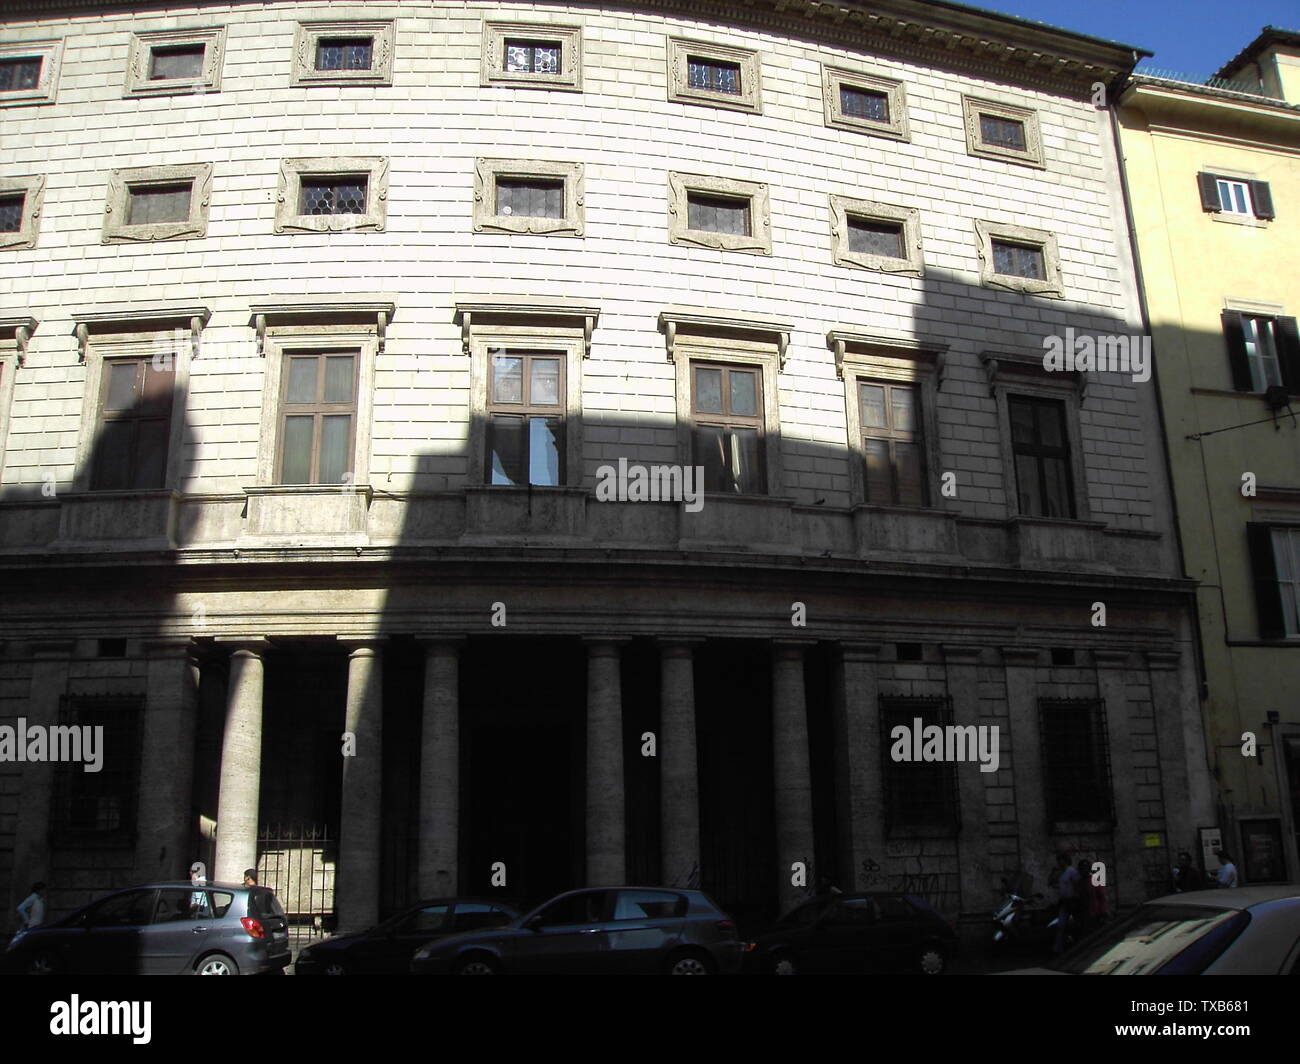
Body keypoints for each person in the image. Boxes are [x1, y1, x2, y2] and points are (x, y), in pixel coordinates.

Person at [1052, 852, 1079, 954]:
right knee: (1061, 925)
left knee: (1072, 924)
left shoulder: (1071, 871)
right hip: (1064, 901)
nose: (1059, 863)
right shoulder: (1061, 873)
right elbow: (1052, 882)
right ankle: (1058, 948)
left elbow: (1076, 884)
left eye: (1060, 860)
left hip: (1071, 901)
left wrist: (1075, 898)